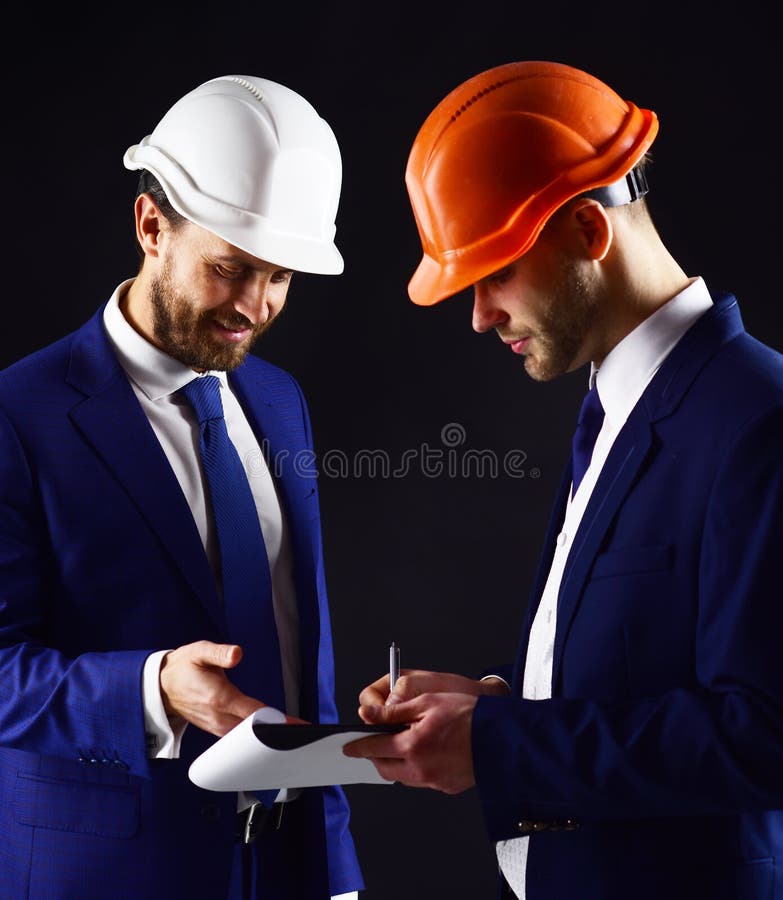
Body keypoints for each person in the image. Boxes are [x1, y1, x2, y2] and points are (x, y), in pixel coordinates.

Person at [343, 60, 783, 899]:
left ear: (588, 229)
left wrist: (498, 743)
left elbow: (763, 733)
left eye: (494, 273)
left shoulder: (756, 423)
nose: (477, 315)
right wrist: (497, 705)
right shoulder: (613, 405)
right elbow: (650, 669)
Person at [0, 74, 363, 899]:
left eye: (279, 278)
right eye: (230, 269)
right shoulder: (17, 415)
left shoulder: (277, 400)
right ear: (151, 225)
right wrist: (152, 689)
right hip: (105, 875)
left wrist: (333, 869)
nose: (254, 306)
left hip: (285, 867)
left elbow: (302, 637)